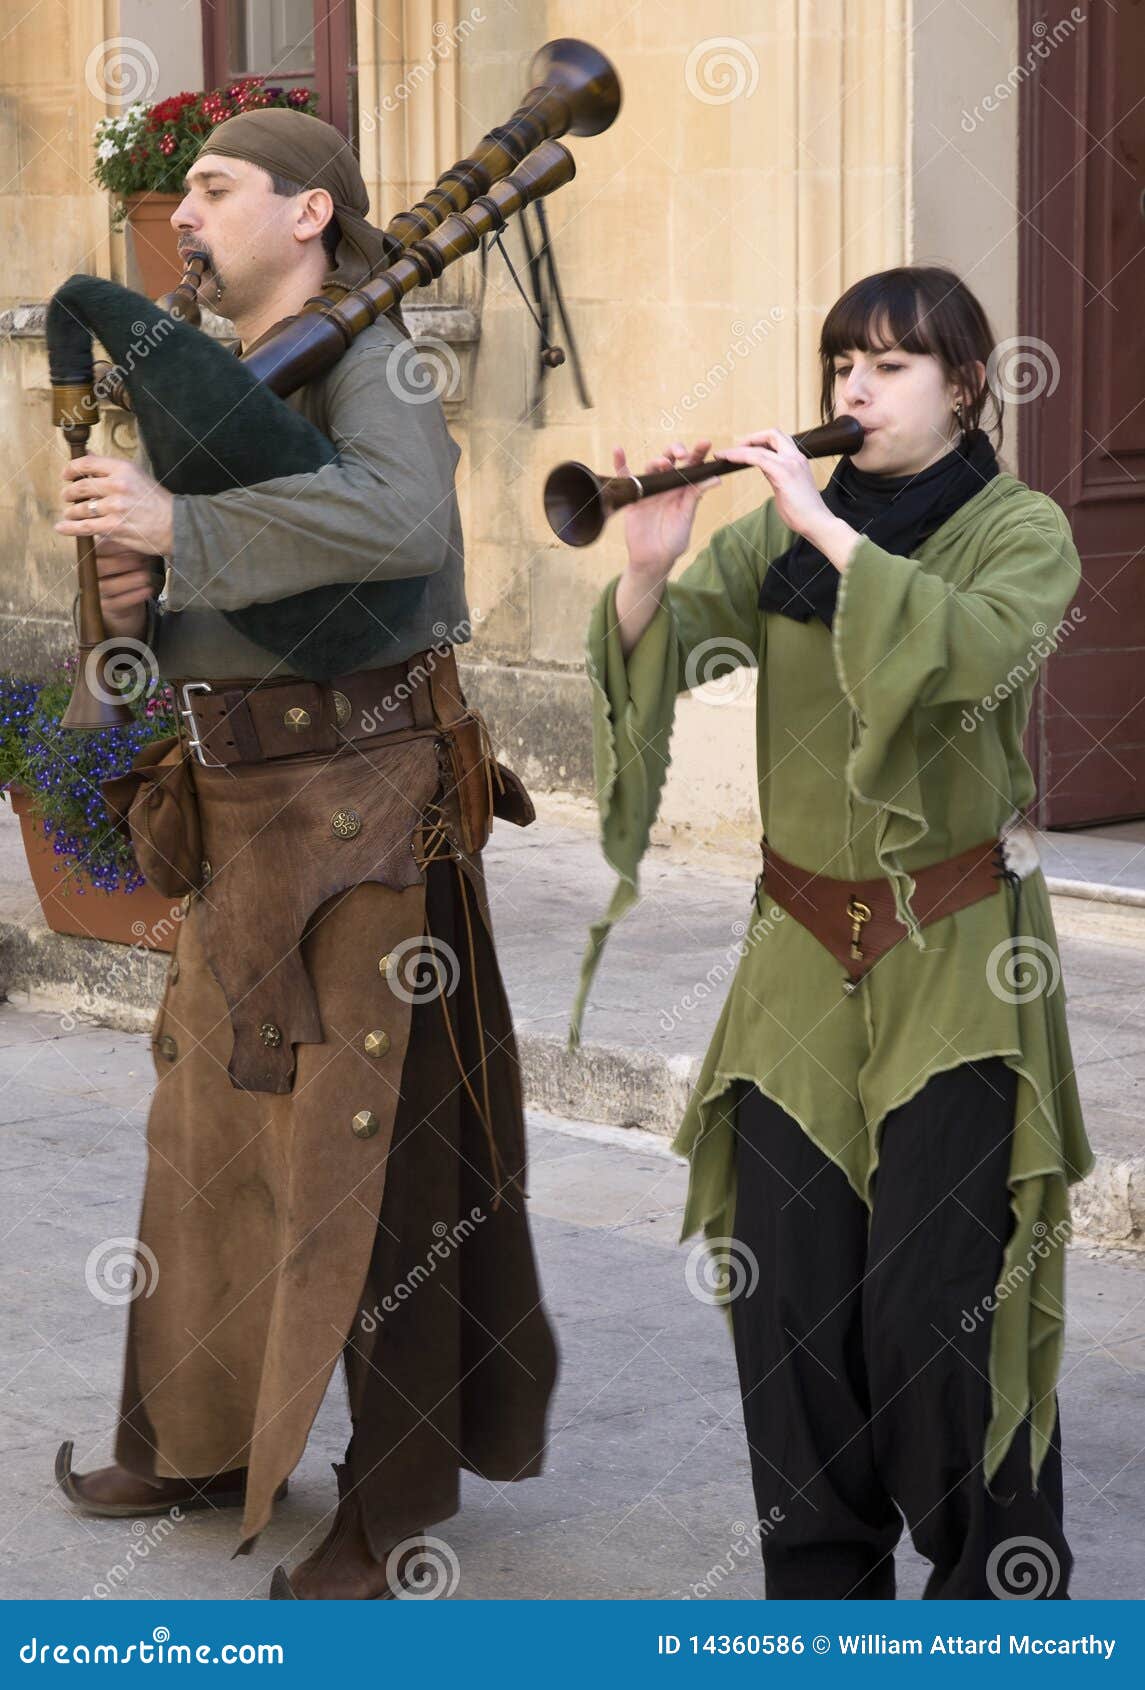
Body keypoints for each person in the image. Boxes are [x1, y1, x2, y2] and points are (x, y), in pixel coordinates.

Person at [52, 107, 559, 1600]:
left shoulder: (376, 356)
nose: (183, 213)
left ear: (311, 213)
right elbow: (159, 613)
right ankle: (191, 1437)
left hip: (366, 822)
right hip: (236, 817)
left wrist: (177, 526)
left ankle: (389, 1504)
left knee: (378, 1169)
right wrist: (131, 592)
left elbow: (399, 518)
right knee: (200, 1151)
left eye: (213, 187)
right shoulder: (206, 387)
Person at [570, 266, 1092, 1600]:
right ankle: (819, 1598)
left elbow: (973, 651)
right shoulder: (775, 534)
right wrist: (643, 573)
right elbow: (671, 656)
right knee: (788, 1304)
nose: (850, 389)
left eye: (888, 364)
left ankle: (997, 1588)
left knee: (935, 1313)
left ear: (964, 385)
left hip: (956, 955)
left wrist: (830, 530)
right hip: (799, 953)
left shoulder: (1018, 529)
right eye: (838, 363)